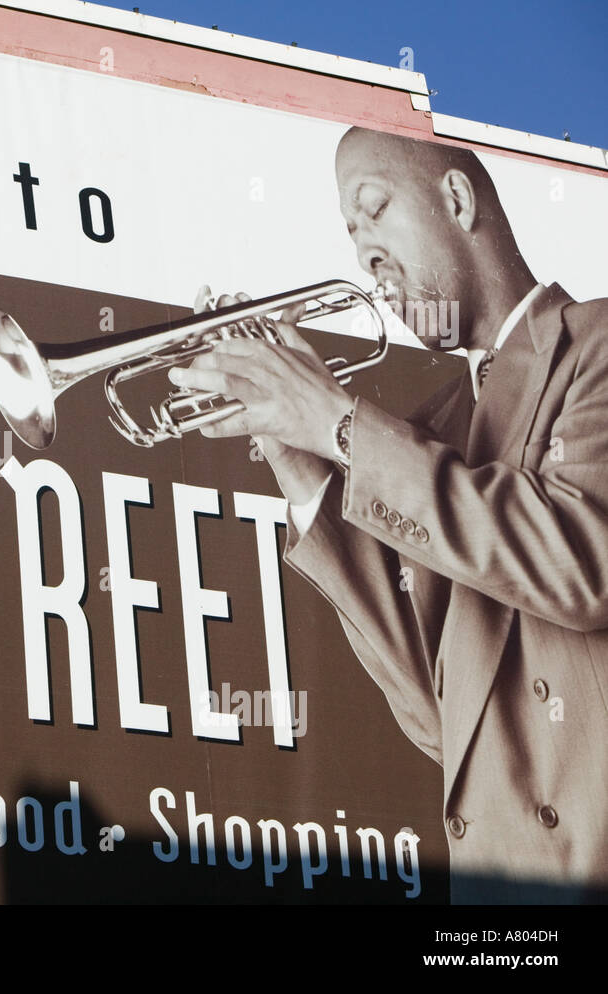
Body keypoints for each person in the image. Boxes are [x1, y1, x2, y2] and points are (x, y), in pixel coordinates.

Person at [167, 125, 608, 903]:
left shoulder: (594, 346)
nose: (365, 255)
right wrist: (295, 452)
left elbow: (580, 564)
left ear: (458, 199)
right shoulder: (430, 434)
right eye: (351, 235)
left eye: (374, 210)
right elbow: (439, 711)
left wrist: (337, 422)